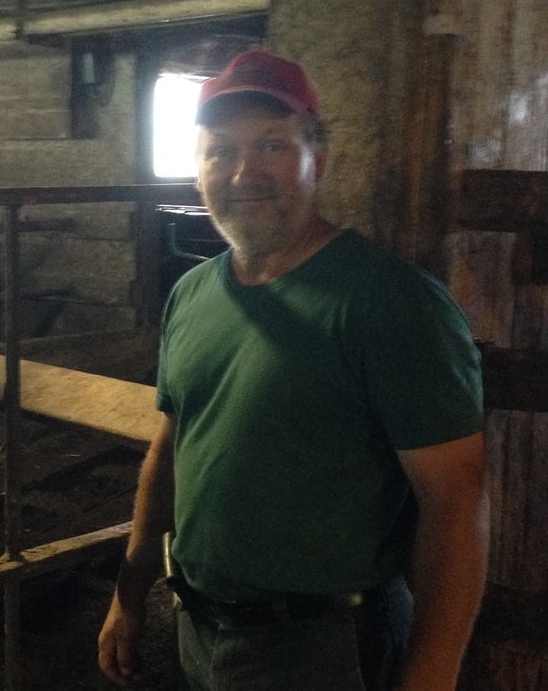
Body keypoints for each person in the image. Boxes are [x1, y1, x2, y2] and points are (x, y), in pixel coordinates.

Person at [97, 49, 489, 690]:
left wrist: (432, 675)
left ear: (320, 158)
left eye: (273, 147)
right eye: (220, 149)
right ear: (198, 168)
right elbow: (171, 450)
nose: (245, 171)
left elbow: (455, 502)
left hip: (324, 648)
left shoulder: (389, 302)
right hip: (198, 630)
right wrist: (131, 591)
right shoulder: (192, 294)